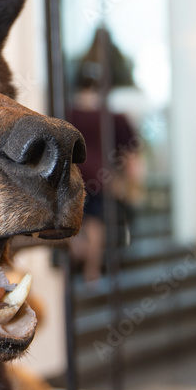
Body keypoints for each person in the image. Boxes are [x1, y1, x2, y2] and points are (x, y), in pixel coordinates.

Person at [67, 29, 142, 283]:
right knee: (95, 225)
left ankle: (80, 254)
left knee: (75, 222)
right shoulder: (112, 117)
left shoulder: (67, 113)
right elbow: (130, 153)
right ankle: (92, 272)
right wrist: (131, 183)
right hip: (100, 177)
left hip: (73, 176)